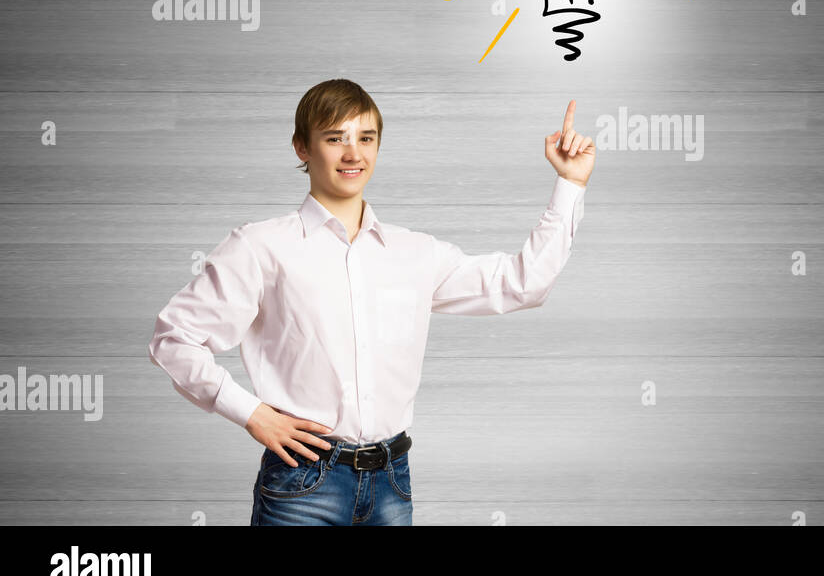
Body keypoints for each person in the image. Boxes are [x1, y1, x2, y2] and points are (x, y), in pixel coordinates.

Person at [147, 79, 594, 525]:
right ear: (302, 147)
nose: (353, 154)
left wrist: (570, 183)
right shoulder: (260, 247)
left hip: (391, 483)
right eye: (334, 138)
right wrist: (251, 414)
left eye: (366, 138)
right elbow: (174, 338)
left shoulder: (415, 253)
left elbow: (523, 283)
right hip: (302, 485)